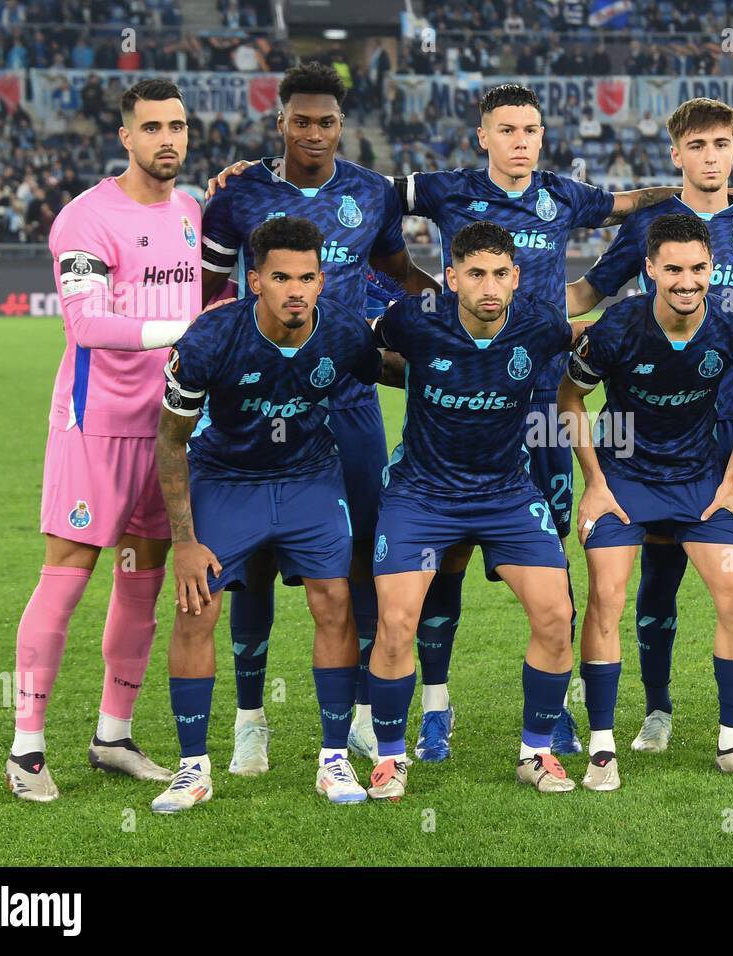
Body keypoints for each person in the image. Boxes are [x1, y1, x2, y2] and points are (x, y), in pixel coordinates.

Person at [383, 83, 733, 761]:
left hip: (544, 405)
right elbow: (365, 196)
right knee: (443, 554)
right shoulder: (448, 190)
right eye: (506, 129)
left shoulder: (563, 194)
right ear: (483, 136)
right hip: (463, 404)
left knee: (557, 557)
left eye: (530, 129)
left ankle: (559, 707)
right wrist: (423, 292)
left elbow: (626, 205)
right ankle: (435, 706)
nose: (520, 140)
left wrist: (709, 195)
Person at [198, 62, 440, 775]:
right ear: (281, 122)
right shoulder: (238, 195)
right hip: (257, 401)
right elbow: (208, 295)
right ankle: (250, 721)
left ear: (342, 125)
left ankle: (361, 716)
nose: (313, 132)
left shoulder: (371, 193)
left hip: (351, 400)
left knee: (361, 553)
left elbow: (403, 275)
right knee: (256, 563)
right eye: (300, 120)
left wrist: (460, 310)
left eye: (325, 121)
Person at [566, 98, 733, 753]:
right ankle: (658, 708)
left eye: (722, 144)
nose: (711, 156)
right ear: (677, 153)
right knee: (659, 573)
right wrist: (526, 312)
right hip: (655, 423)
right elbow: (590, 292)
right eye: (697, 145)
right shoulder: (653, 228)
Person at [150, 216, 393, 812]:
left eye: (308, 277)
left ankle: (333, 759)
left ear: (321, 280)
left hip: (309, 477)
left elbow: (386, 368)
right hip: (228, 479)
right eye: (281, 277)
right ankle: (193, 767)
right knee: (195, 609)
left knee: (334, 601)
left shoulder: (341, 330)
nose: (296, 291)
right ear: (254, 280)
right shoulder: (210, 338)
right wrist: (183, 541)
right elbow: (169, 442)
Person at [5, 79, 203, 803]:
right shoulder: (85, 218)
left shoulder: (190, 212)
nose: (167, 139)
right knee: (67, 575)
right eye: (152, 127)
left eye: (177, 125)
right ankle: (27, 749)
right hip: (95, 426)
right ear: (126, 136)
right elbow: (86, 325)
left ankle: (112, 735)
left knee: (142, 583)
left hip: (169, 432)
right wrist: (182, 331)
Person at [558, 213, 733, 790]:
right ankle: (603, 751)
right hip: (625, 481)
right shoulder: (617, 327)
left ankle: (732, 742)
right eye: (675, 269)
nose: (688, 281)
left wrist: (732, 479)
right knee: (606, 597)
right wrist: (595, 482)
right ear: (651, 269)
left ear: (713, 269)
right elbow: (569, 399)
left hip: (698, 482)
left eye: (699, 269)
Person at [364, 221, 585, 800]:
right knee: (395, 625)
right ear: (453, 277)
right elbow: (362, 341)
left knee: (556, 616)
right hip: (421, 493)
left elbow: (590, 341)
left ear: (515, 277)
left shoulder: (538, 323)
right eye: (476, 274)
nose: (489, 287)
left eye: (500, 274)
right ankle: (389, 758)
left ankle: (536, 753)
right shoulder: (415, 318)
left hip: (507, 493)